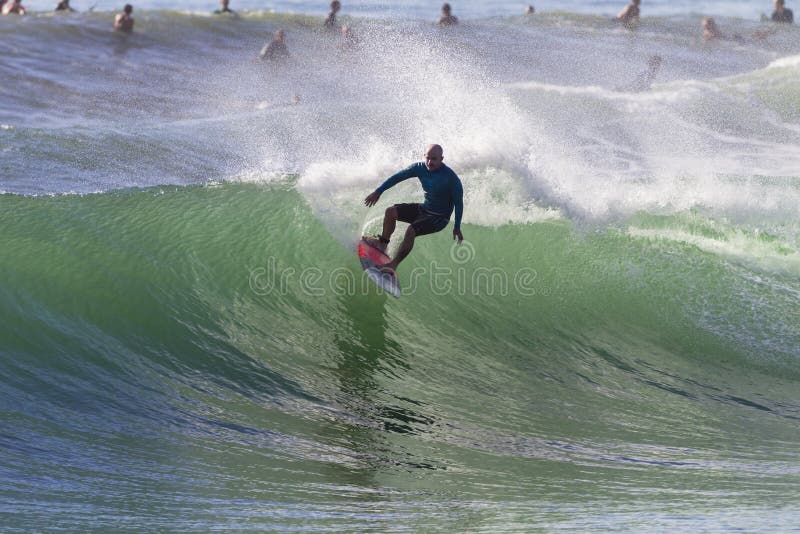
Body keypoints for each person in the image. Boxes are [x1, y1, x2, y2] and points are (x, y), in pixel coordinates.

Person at [362, 144, 464, 274]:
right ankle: (383, 243)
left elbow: (459, 203)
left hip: (439, 218)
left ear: (441, 159)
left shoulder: (451, 178)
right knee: (390, 212)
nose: (430, 162)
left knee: (411, 230)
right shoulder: (419, 168)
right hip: (425, 209)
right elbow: (398, 177)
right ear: (424, 156)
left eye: (434, 159)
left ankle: (393, 265)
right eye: (427, 158)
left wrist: (457, 226)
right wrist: (379, 191)